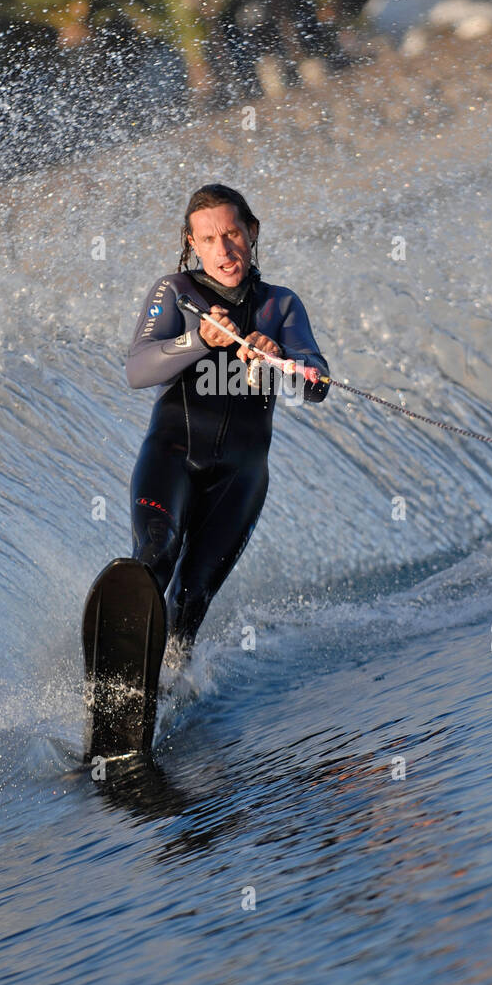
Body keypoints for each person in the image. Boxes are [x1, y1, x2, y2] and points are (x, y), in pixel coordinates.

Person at [125, 183, 329, 655]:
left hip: (242, 476)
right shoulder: (175, 293)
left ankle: (171, 685)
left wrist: (282, 356)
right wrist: (198, 340)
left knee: (192, 598)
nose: (224, 249)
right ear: (192, 244)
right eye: (209, 240)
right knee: (155, 558)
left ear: (251, 232)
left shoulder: (281, 305)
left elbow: (316, 384)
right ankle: (125, 666)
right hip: (172, 457)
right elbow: (137, 370)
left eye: (233, 234)